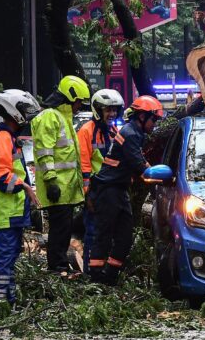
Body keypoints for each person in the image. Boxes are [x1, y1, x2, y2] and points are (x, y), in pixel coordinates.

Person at [85, 95, 164, 285]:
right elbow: (140, 165)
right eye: (154, 119)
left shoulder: (136, 133)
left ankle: (110, 276)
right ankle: (96, 280)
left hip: (119, 190)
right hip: (108, 190)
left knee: (125, 237)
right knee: (104, 235)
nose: (155, 124)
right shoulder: (130, 133)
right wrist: (167, 178)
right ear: (142, 116)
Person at [0, 90, 41, 309]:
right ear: (13, 111)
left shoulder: (10, 138)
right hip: (6, 213)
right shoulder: (3, 138)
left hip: (13, 212)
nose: (27, 116)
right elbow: (1, 176)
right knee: (3, 259)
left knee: (9, 258)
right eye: (25, 111)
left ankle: (7, 300)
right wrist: (24, 186)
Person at [30, 75, 87, 272]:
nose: (79, 106)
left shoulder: (63, 118)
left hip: (66, 189)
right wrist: (51, 181)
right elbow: (45, 152)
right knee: (59, 230)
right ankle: (57, 267)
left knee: (63, 230)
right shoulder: (50, 117)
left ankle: (60, 265)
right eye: (79, 102)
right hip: (58, 188)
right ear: (70, 99)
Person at [79, 88, 123, 270]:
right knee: (93, 233)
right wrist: (88, 194)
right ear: (98, 110)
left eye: (114, 110)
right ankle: (90, 271)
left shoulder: (113, 130)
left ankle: (103, 271)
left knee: (109, 233)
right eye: (108, 110)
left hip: (111, 190)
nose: (112, 113)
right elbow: (83, 163)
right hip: (96, 191)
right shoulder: (86, 131)